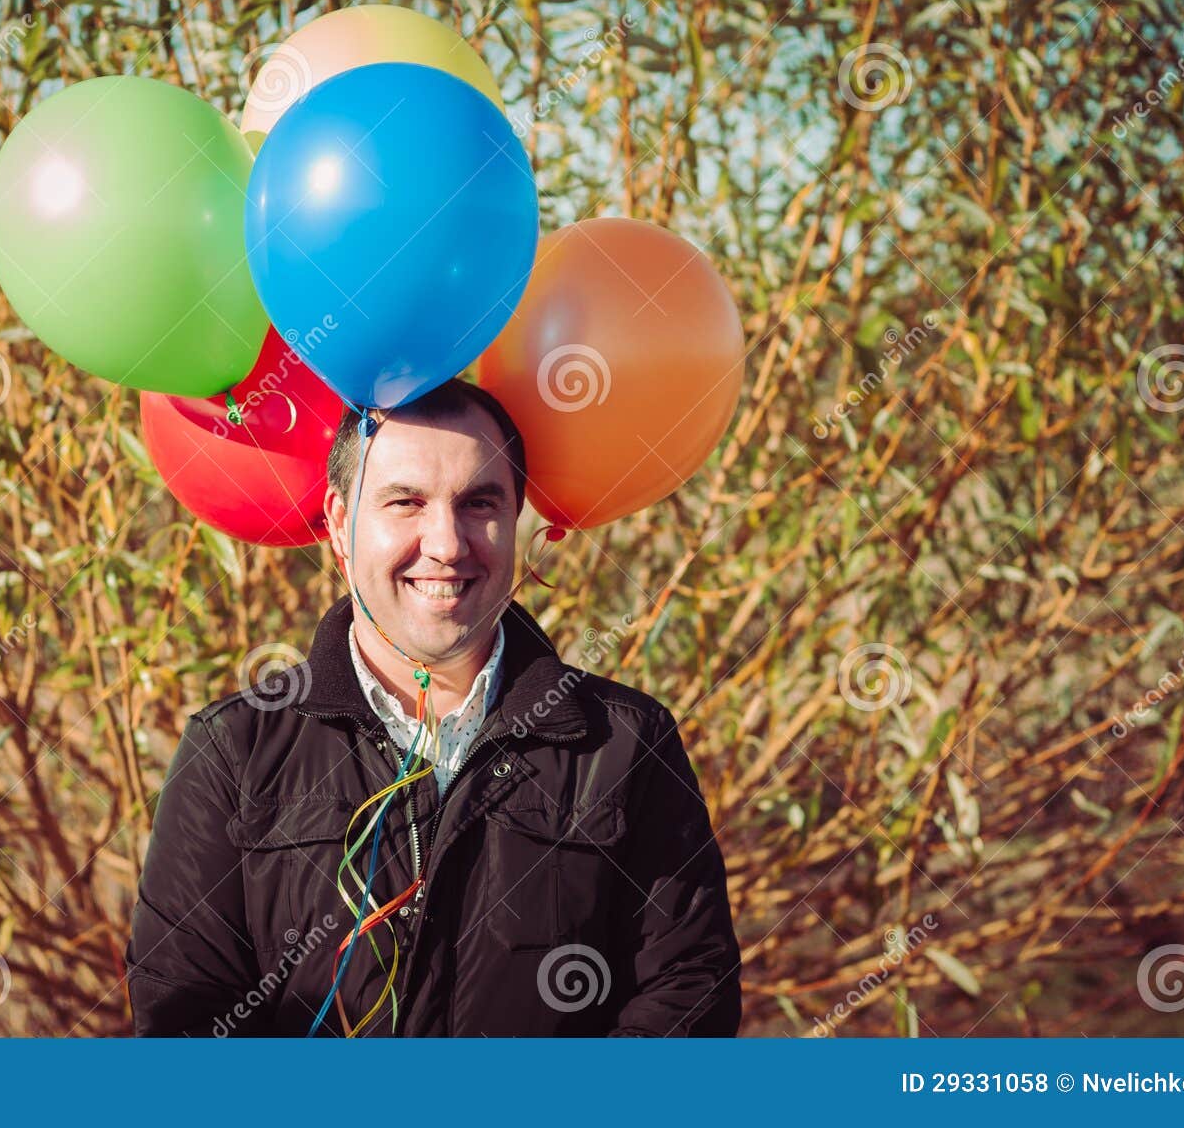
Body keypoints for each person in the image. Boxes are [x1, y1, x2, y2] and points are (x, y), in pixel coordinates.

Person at [125, 378, 741, 1036]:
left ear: (516, 520)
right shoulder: (235, 752)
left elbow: (688, 999)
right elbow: (183, 1020)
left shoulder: (625, 745)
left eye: (479, 502)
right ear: (339, 522)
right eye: (406, 502)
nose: (446, 543)